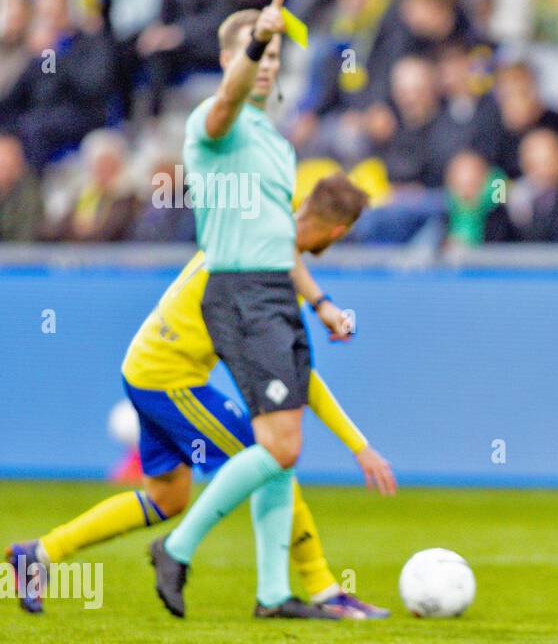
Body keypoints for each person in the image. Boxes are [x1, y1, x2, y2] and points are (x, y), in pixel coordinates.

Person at [5, 175, 394, 619]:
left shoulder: (254, 236)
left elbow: (293, 370)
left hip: (145, 366)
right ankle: (318, 589)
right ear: (338, 233)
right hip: (171, 379)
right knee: (274, 454)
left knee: (167, 498)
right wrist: (360, 447)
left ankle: (39, 552)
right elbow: (299, 376)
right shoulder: (267, 275)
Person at [149, 0, 356, 619]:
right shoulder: (214, 123)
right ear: (230, 57)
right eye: (255, 55)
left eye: (273, 56)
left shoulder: (273, 141)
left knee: (278, 444)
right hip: (239, 290)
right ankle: (177, 546)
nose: (266, 66)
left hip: (272, 288)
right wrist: (258, 40)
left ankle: (272, 595)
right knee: (281, 446)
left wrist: (318, 302)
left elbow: (280, 236)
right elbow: (229, 98)